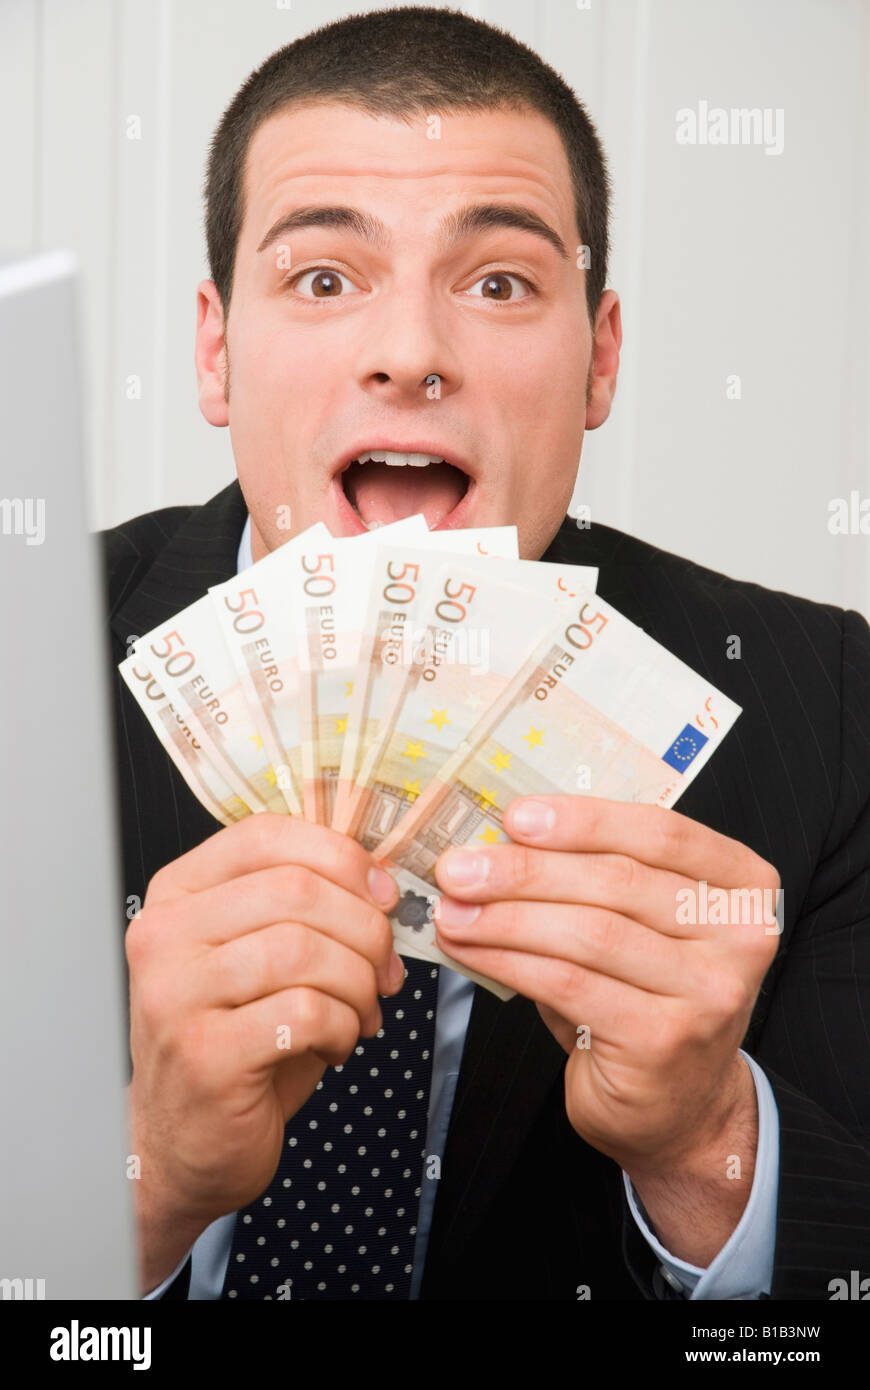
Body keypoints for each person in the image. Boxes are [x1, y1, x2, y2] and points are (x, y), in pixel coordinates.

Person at [102, 6, 870, 1301]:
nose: (408, 354)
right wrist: (146, 1177)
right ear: (217, 350)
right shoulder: (20, 666)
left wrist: (703, 1143)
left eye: (500, 282)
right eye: (324, 278)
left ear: (598, 361)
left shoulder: (828, 704)